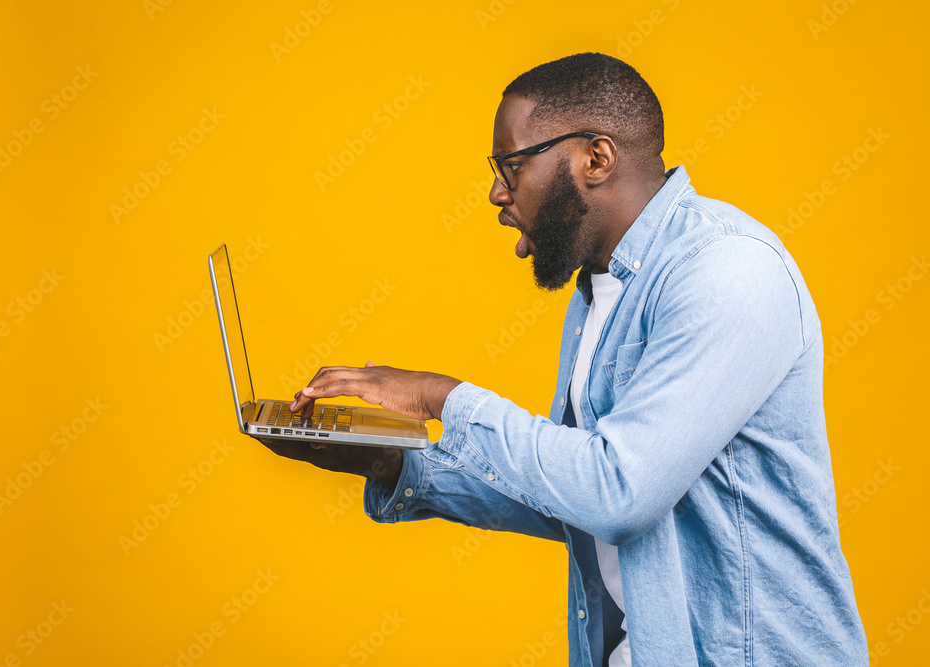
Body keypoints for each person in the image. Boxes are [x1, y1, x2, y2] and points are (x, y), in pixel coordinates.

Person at [254, 52, 868, 666]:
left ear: (595, 159)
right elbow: (575, 496)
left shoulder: (726, 269)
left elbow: (618, 494)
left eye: (512, 166)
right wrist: (394, 465)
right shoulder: (599, 290)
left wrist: (440, 397)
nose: (497, 192)